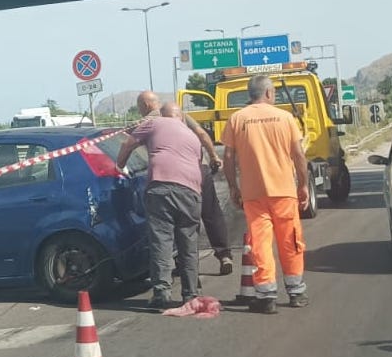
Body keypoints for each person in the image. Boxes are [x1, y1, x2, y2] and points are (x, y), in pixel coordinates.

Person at [221, 74, 310, 314]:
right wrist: (303, 184)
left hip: (253, 193)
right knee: (290, 241)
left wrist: (233, 186)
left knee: (260, 244)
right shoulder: (285, 117)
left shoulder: (238, 119)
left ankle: (266, 296)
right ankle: (296, 292)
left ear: (250, 94)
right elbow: (298, 155)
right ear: (269, 93)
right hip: (284, 191)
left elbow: (227, 157)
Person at [116, 92, 205, 308]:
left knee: (162, 240)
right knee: (188, 243)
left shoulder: (155, 123)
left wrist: (119, 166)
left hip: (161, 187)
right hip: (191, 192)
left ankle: (162, 293)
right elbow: (198, 160)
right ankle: (191, 294)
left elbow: (128, 144)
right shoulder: (192, 136)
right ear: (181, 118)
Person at [160, 100, 234, 275]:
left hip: (175, 175)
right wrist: (213, 155)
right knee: (211, 213)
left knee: (182, 218)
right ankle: (224, 255)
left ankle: (184, 262)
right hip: (200, 169)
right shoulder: (183, 116)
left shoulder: (156, 121)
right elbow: (201, 133)